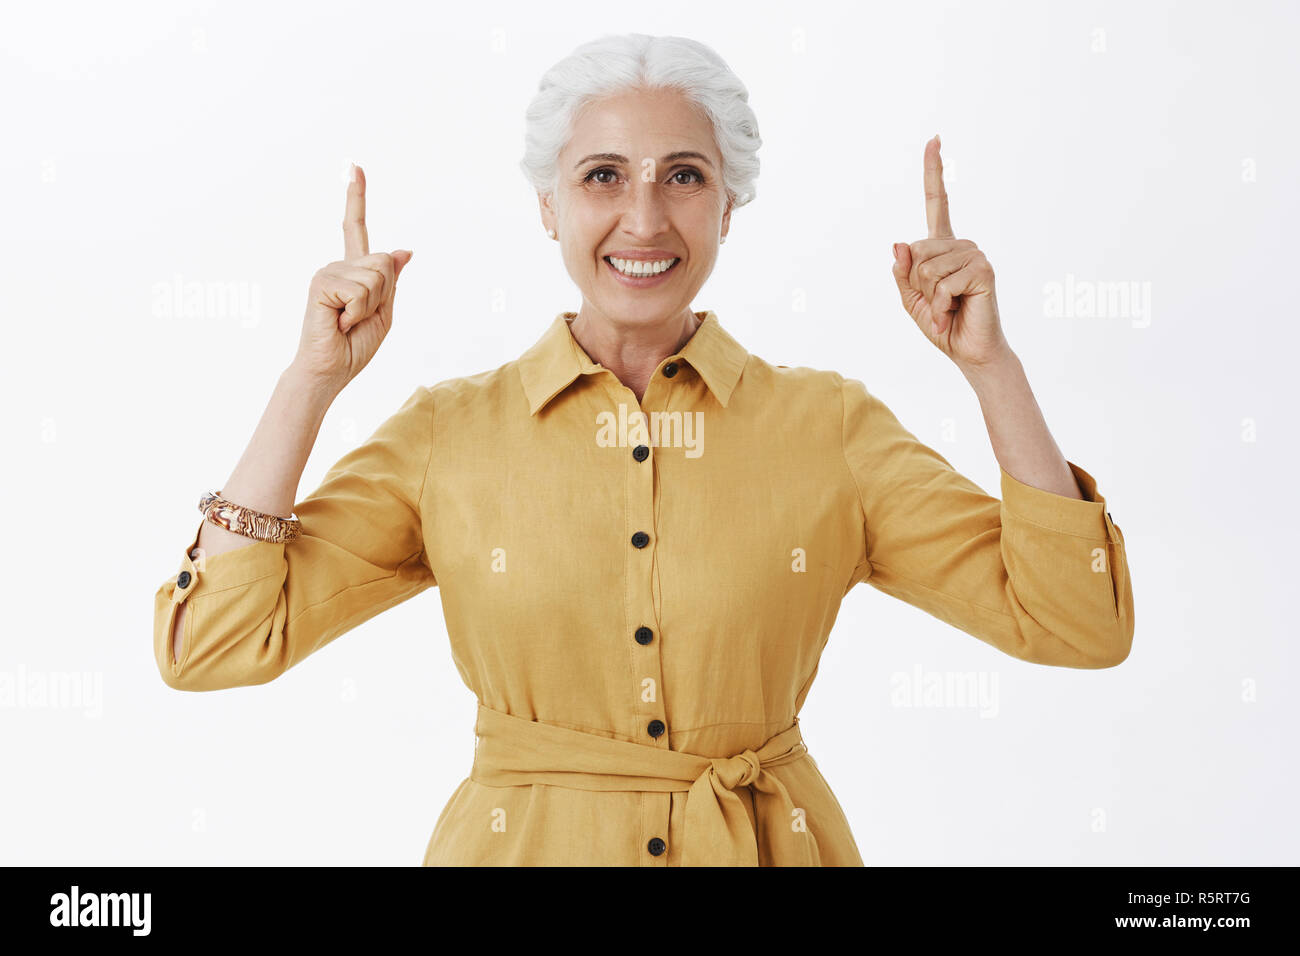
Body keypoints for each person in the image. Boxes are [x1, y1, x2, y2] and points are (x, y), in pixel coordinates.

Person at [153, 33, 1134, 866]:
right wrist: (309, 381)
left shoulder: (830, 431)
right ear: (548, 205)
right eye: (602, 177)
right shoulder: (444, 437)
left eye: (684, 175)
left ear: (726, 206)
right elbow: (211, 645)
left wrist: (989, 365)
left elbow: (1076, 622)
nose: (644, 216)